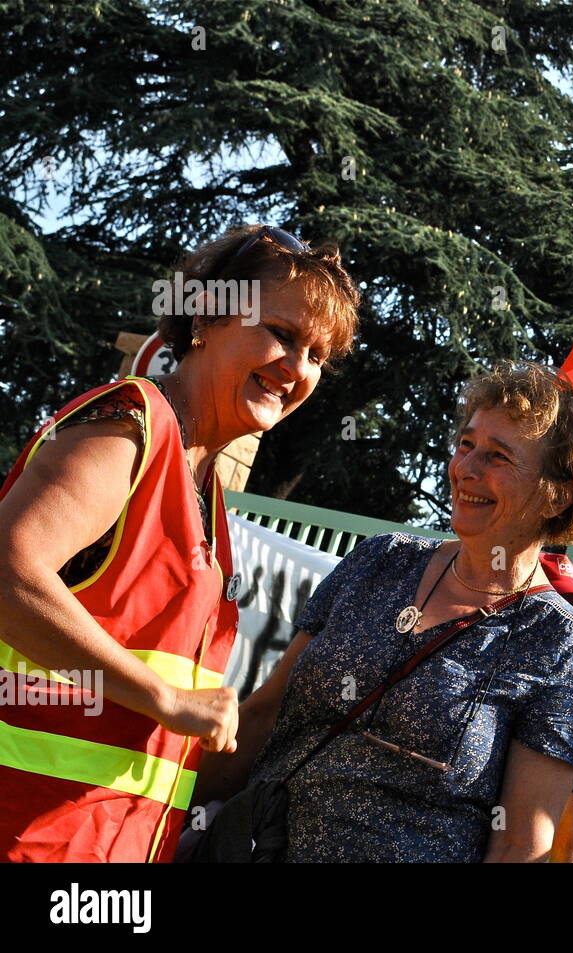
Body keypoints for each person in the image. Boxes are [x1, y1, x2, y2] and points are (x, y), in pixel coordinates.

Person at [0, 224, 360, 862]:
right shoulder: (130, 427)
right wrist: (165, 698)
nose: (298, 367)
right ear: (209, 316)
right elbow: (6, 572)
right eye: (281, 332)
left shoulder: (206, 491)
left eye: (318, 355)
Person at [193, 361, 573, 862]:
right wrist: (150, 817)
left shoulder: (561, 646)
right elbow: (263, 716)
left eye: (499, 457)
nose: (467, 469)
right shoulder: (382, 560)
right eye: (466, 444)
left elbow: (521, 843)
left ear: (557, 495)